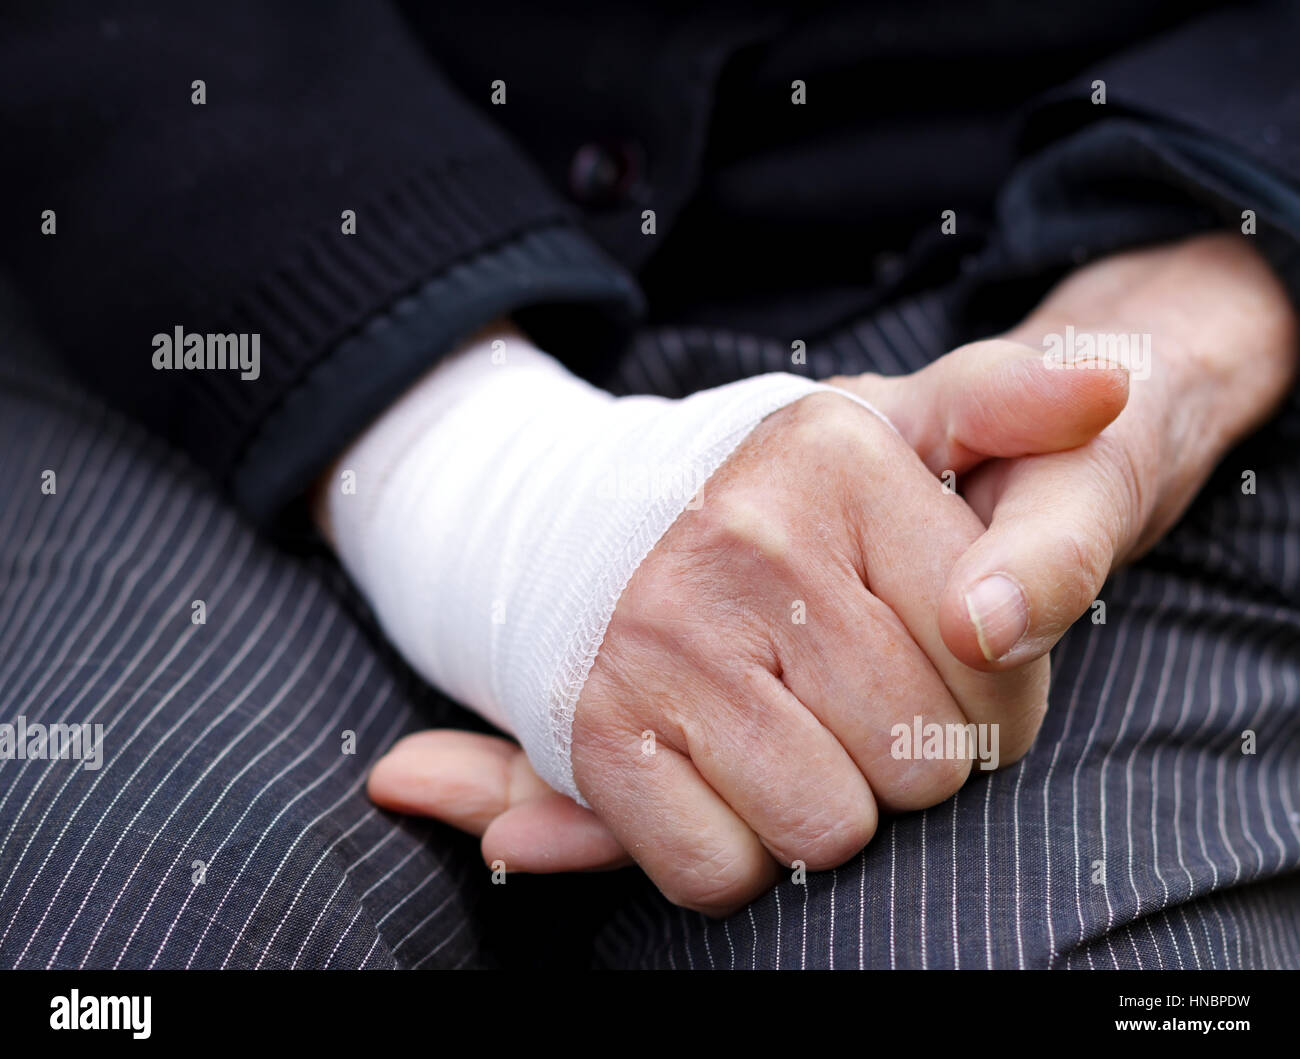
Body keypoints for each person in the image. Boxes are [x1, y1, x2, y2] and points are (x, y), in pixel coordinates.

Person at [0, 1, 1298, 969]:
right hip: (225, 256)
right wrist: (483, 473)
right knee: (113, 921)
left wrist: (1215, 275)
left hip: (1056, 305)